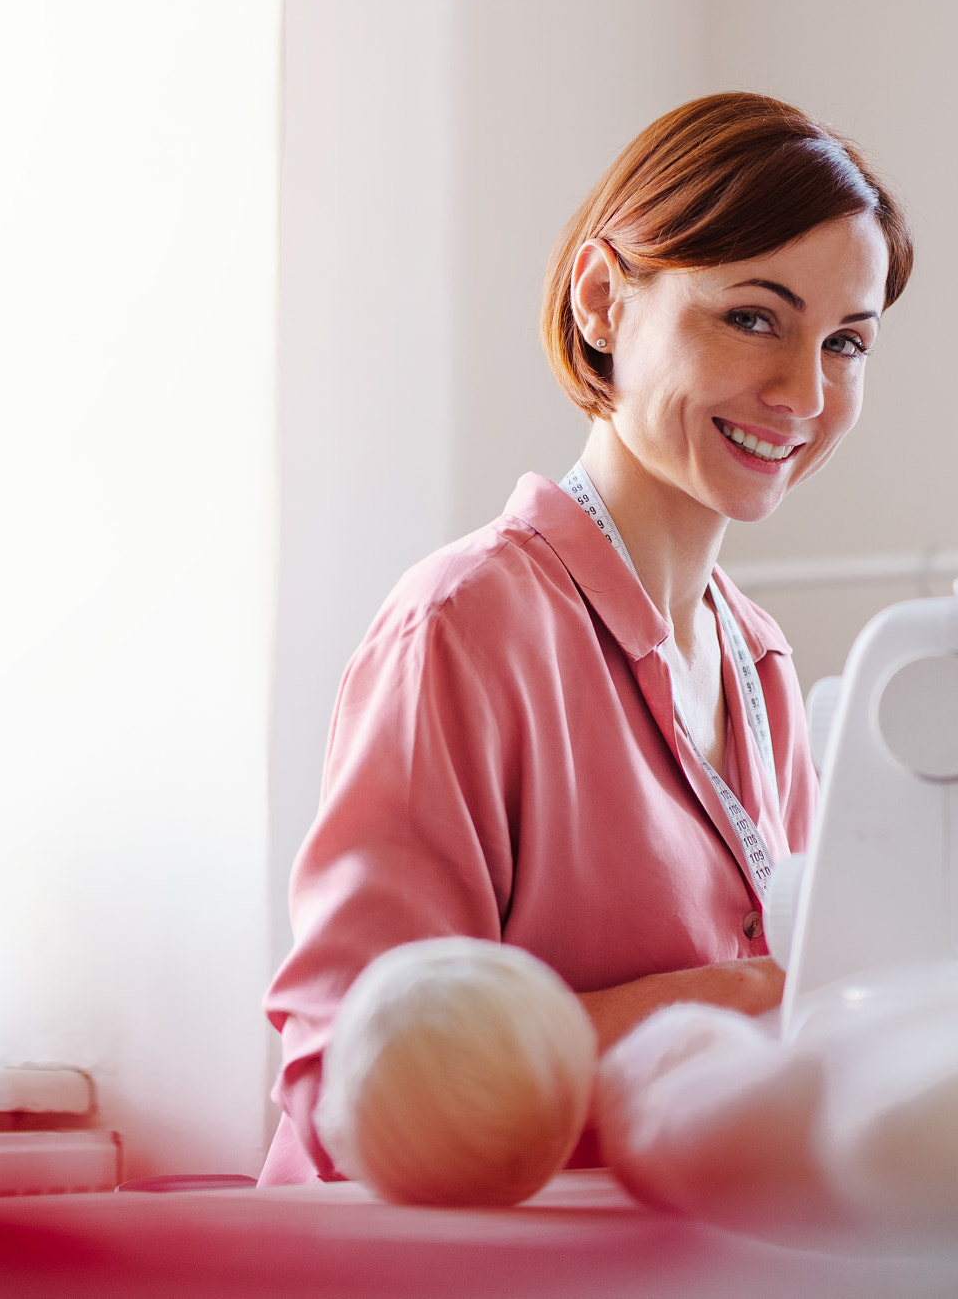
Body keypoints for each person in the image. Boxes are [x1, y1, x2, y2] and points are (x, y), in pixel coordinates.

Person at [260, 91, 914, 1185]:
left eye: (844, 342)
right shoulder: (463, 626)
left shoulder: (759, 662)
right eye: (752, 316)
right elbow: (350, 1085)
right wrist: (739, 1006)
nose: (802, 390)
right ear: (604, 298)